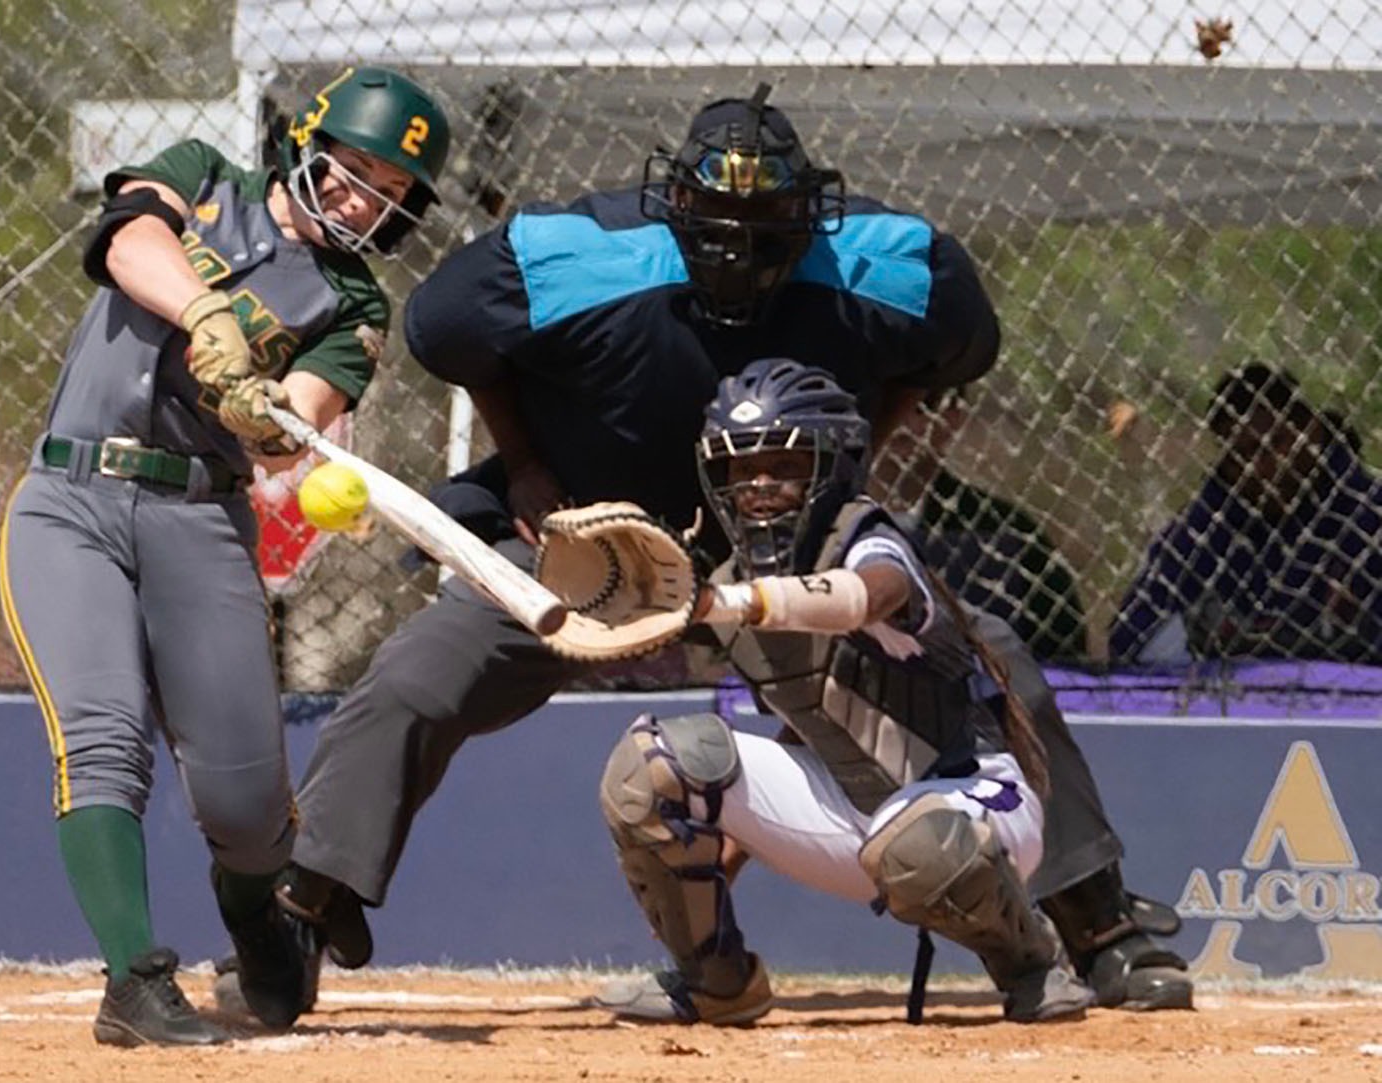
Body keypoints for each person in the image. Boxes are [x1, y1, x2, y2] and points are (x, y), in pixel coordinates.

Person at [246, 85, 1188, 1024]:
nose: (740, 242)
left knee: (986, 657)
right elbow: (447, 334)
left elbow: (955, 350)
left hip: (787, 551)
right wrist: (529, 467)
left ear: (809, 212)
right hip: (592, 544)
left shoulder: (876, 261)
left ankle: (1098, 925)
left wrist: (859, 467)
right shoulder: (587, 254)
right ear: (674, 205)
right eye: (719, 218)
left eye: (767, 220)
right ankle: (303, 912)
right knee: (416, 677)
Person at [0, 66, 450, 1047]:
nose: (358, 197)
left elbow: (303, 427)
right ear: (309, 145)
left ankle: (256, 912)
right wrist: (208, 316)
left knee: (246, 810)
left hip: (200, 518)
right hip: (69, 501)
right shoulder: (208, 180)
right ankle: (134, 978)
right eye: (350, 168)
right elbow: (128, 238)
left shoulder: (352, 304)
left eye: (386, 189)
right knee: (103, 738)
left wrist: (265, 415)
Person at [595, 359, 1094, 1025]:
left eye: (783, 464)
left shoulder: (866, 538)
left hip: (969, 799)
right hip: (853, 819)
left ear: (832, 466)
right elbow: (812, 725)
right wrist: (701, 876)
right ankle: (716, 978)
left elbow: (871, 595)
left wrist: (727, 602)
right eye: (743, 469)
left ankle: (1031, 963)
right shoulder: (732, 580)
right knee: (650, 764)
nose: (761, 486)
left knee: (916, 841)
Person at [1110, 363, 1382, 665]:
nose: (1257, 467)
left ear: (1310, 433)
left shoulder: (1367, 512)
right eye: (1242, 453)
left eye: (1272, 444)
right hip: (1240, 699)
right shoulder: (1207, 525)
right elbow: (1132, 632)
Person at [880, 389, 1089, 661]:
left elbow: (1065, 656)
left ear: (953, 419)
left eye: (923, 405)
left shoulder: (1005, 531)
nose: (904, 420)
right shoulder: (820, 514)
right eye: (889, 401)